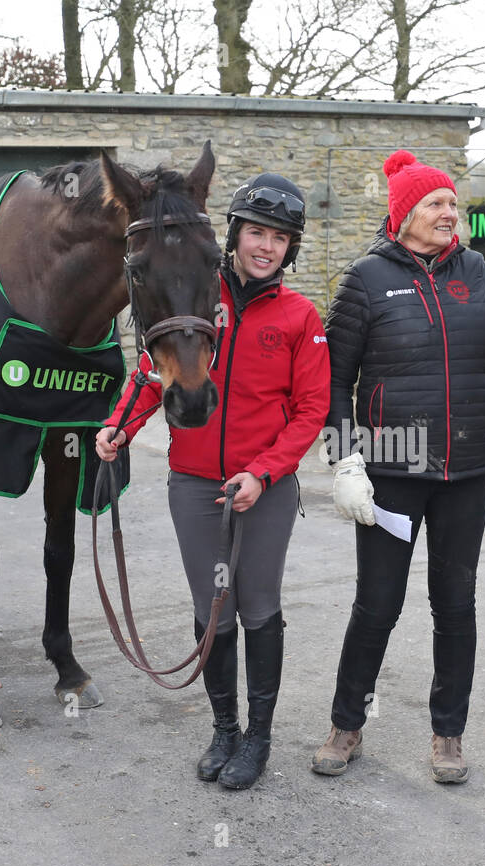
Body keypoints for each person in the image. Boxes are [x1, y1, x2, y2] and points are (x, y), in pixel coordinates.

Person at [313, 150, 485, 783]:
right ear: (404, 216)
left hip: (466, 473)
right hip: (393, 470)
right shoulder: (365, 280)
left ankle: (448, 735)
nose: (450, 212)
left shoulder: (481, 274)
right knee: (378, 604)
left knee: (455, 604)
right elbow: (334, 381)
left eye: (454, 203)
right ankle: (347, 724)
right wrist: (343, 459)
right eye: (436, 203)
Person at [95, 173, 329, 791]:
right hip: (194, 485)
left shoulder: (301, 317)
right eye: (256, 232)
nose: (266, 247)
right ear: (234, 234)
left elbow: (311, 412)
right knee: (211, 612)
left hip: (265, 490)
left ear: (290, 248)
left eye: (280, 238)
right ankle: (223, 728)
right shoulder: (199, 294)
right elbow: (154, 368)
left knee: (257, 610)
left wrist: (265, 471)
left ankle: (258, 737)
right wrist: (120, 426)